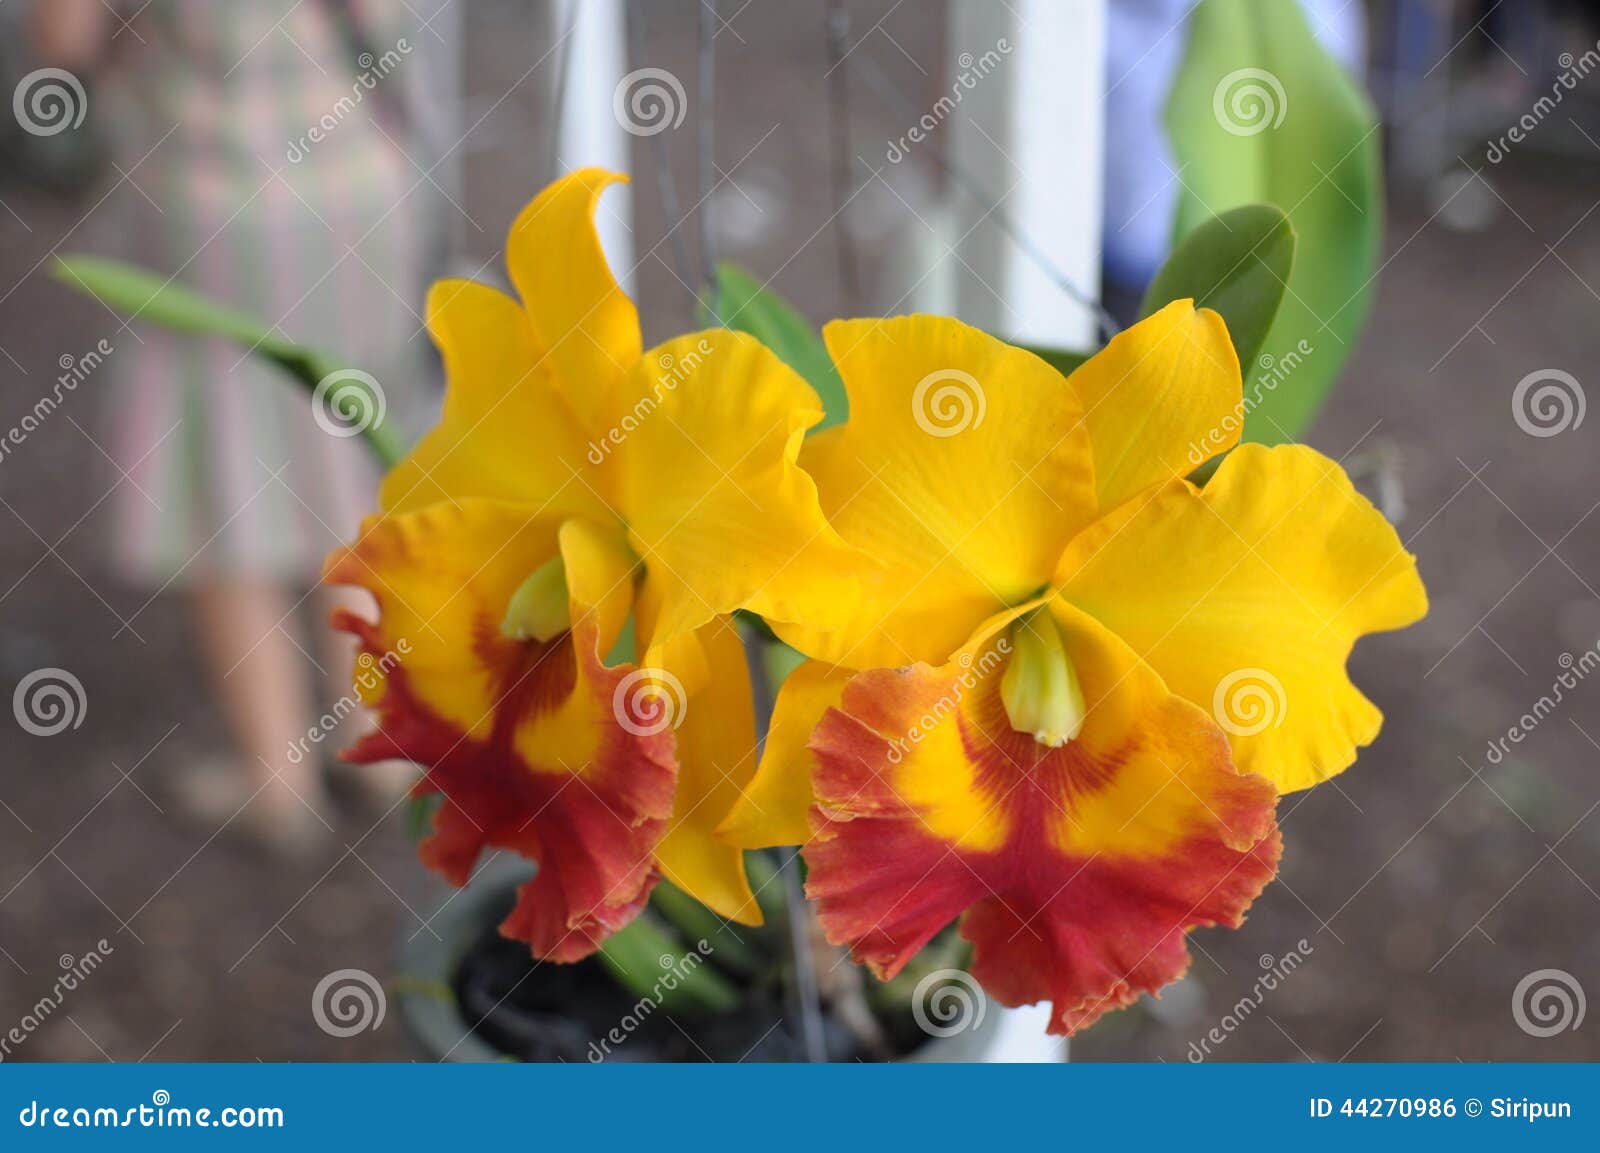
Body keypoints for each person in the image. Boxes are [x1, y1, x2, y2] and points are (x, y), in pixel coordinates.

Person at [29, 0, 431, 853]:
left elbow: (64, 42)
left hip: (212, 201)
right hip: (353, 186)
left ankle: (277, 781)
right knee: (347, 455)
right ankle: (375, 740)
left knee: (223, 477)